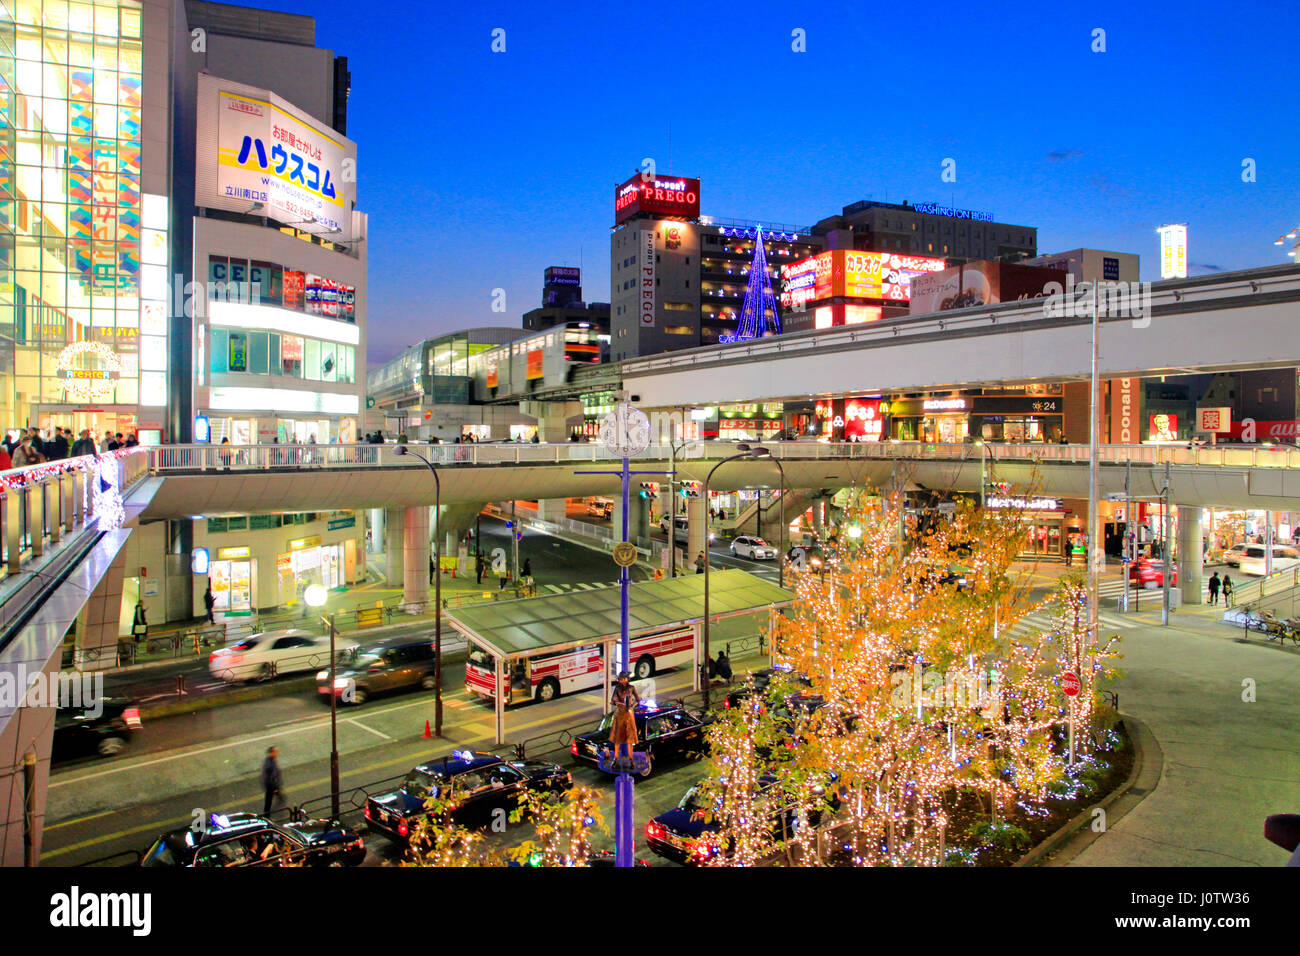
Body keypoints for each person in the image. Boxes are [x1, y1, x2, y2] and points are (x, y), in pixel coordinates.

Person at [608, 671, 640, 769]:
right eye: (621, 679)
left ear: (627, 679)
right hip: (620, 714)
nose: (622, 681)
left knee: (630, 739)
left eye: (624, 679)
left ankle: (631, 759)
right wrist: (618, 703)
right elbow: (612, 701)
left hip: (629, 714)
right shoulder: (617, 688)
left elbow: (638, 700)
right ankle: (616, 759)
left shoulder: (632, 688)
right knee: (618, 738)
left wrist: (632, 706)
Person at [261, 746, 284, 816]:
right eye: (276, 752)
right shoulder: (269, 764)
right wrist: (275, 788)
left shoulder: (271, 760)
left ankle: (280, 800)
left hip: (272, 785)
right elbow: (269, 778)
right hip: (271, 786)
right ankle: (266, 815)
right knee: (268, 801)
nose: (277, 753)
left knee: (270, 800)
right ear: (271, 753)